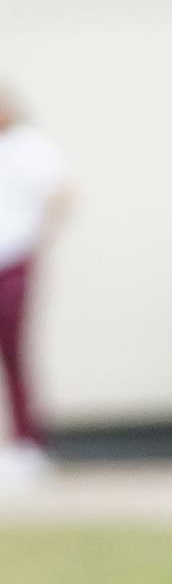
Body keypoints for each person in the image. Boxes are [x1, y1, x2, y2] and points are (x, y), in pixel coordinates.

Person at [0, 83, 71, 488]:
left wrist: (38, 240)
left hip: (13, 261)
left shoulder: (29, 147)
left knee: (14, 354)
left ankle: (27, 446)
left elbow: (61, 194)